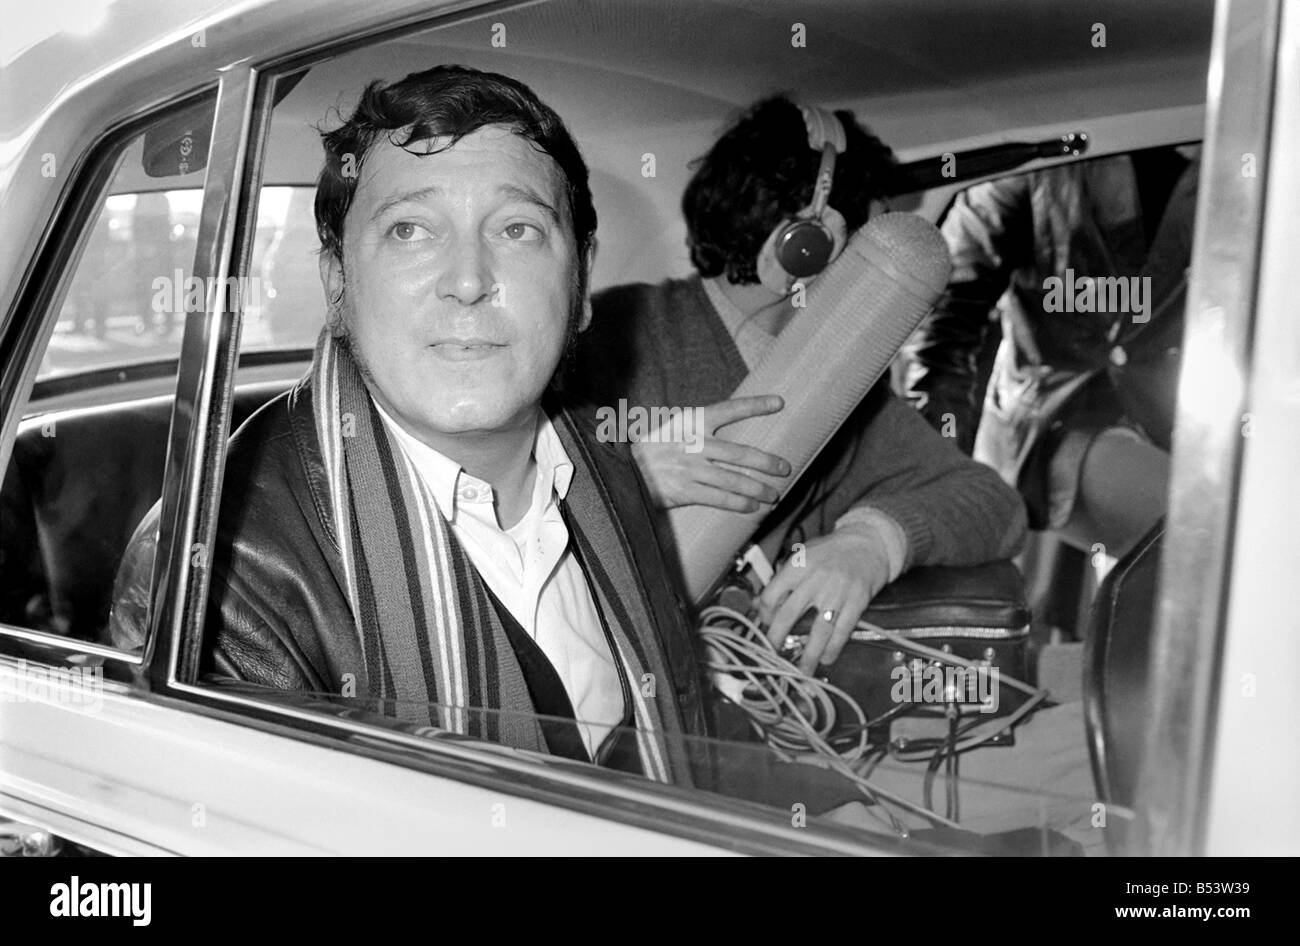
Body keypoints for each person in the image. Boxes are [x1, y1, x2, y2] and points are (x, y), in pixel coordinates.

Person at [110, 65, 706, 781]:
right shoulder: (217, 575)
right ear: (338, 287)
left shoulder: (606, 467)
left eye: (517, 229)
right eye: (410, 230)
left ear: (580, 284)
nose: (467, 279)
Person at [566, 96, 1028, 675]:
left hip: (768, 706)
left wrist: (875, 543)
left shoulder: (844, 385)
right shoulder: (604, 341)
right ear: (808, 243)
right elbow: (489, 511)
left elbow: (996, 508)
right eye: (870, 237)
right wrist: (628, 479)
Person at [902, 148, 1199, 560]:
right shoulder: (1049, 160)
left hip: (1179, 424)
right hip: (1052, 419)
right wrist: (934, 460)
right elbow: (946, 312)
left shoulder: (1251, 156)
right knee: (1213, 534)